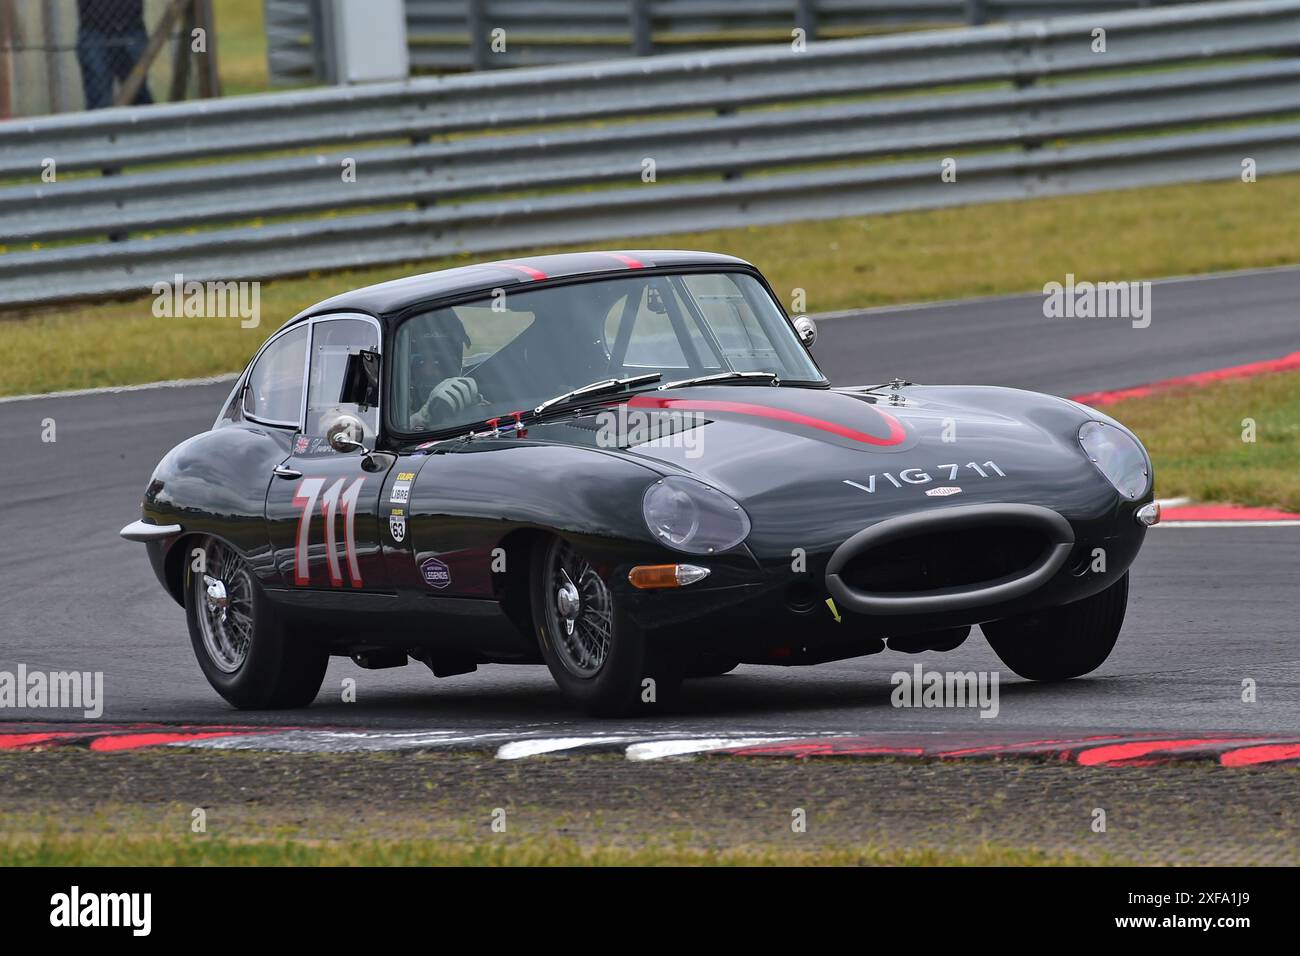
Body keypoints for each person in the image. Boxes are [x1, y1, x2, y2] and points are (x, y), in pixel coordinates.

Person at [408, 311, 481, 430]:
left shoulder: (476, 377)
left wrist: (478, 405)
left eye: (441, 362)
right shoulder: (389, 400)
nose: (430, 371)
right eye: (419, 362)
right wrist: (422, 418)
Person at [76, 0, 153, 109]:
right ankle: (102, 125)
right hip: (94, 28)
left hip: (131, 25)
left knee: (138, 92)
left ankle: (147, 124)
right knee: (99, 97)